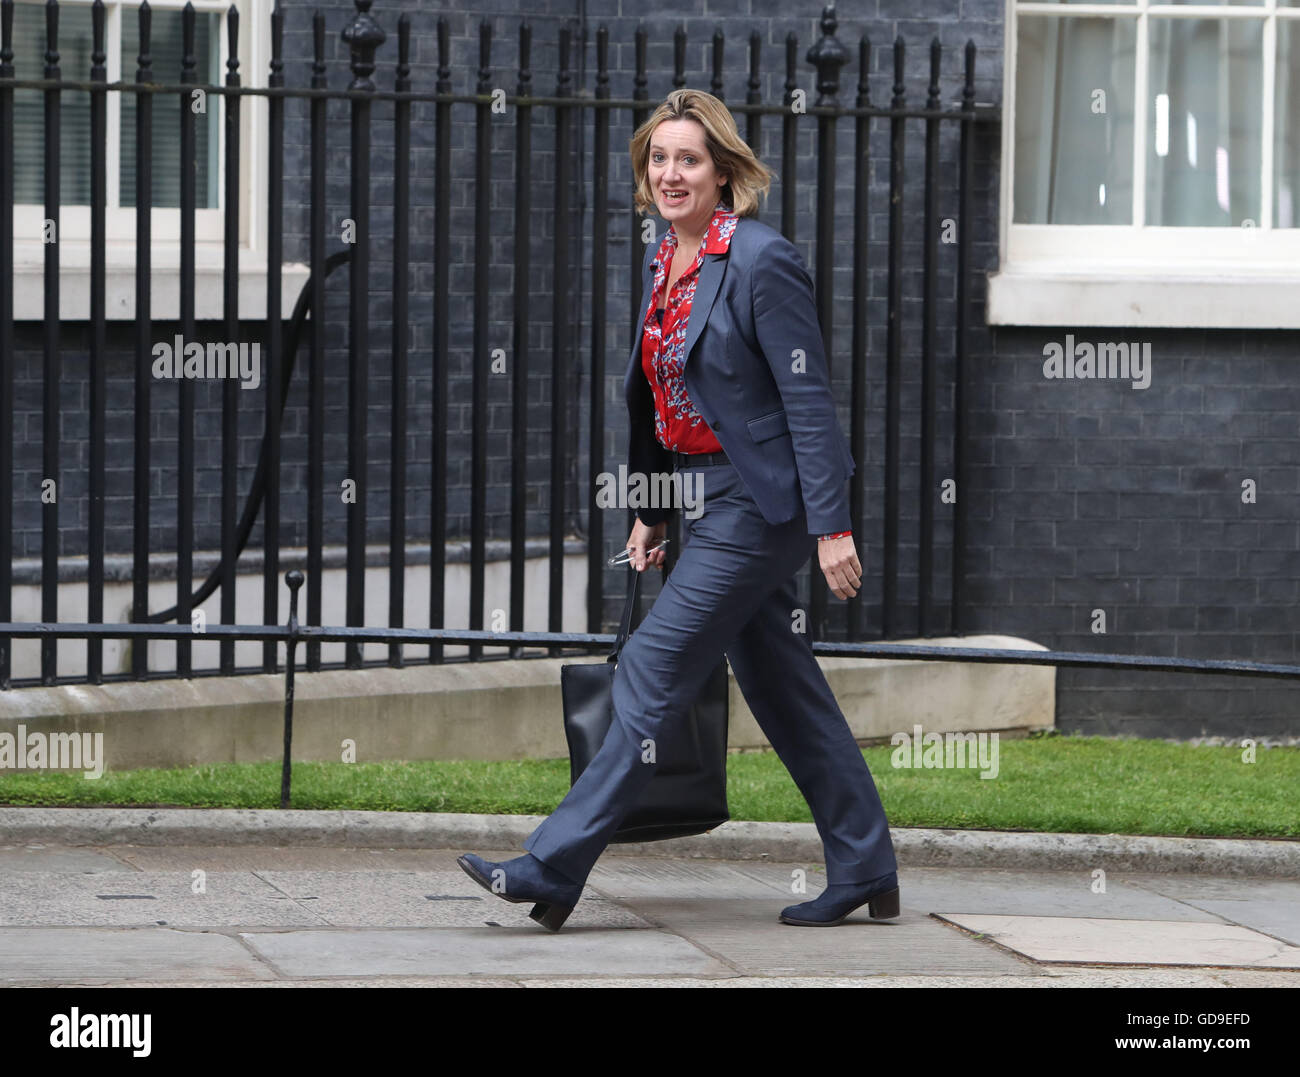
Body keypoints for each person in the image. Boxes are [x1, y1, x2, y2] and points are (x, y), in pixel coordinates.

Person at [459, 89, 898, 932]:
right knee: (784, 687)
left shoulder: (763, 260)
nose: (670, 173)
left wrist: (833, 523)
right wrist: (653, 508)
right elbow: (662, 397)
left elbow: (808, 401)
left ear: (724, 172)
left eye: (687, 159)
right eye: (658, 159)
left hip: (759, 504)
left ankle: (551, 866)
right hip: (699, 498)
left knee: (652, 668)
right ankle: (866, 864)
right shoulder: (669, 259)